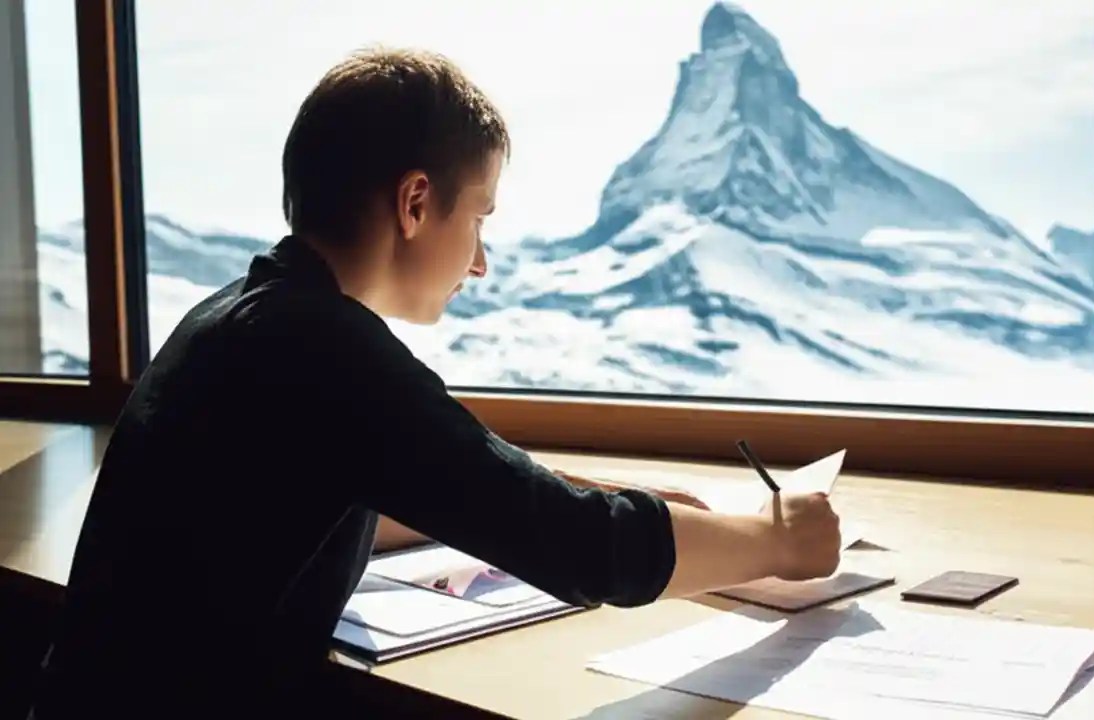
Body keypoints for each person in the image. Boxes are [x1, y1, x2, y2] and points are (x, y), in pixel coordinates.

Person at [31, 47, 841, 718]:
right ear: (416, 202)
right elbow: (585, 549)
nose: (481, 261)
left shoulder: (235, 318)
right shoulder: (326, 353)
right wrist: (779, 540)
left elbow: (358, 489)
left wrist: (599, 489)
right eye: (480, 216)